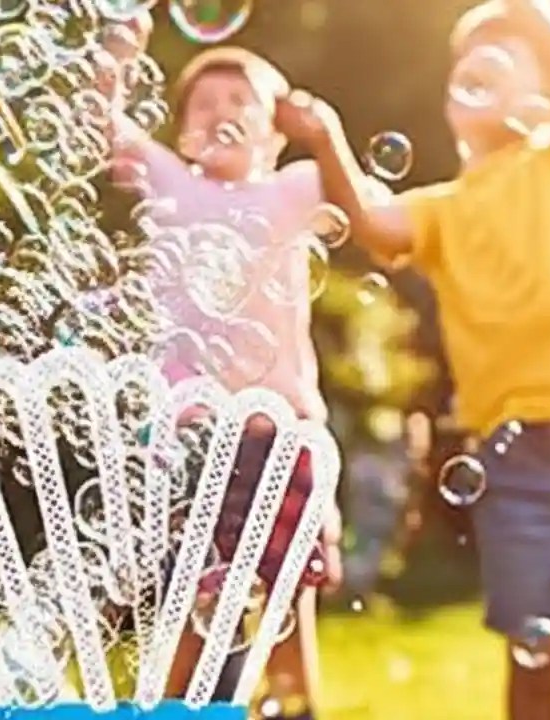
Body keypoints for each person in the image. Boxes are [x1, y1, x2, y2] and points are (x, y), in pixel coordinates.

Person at [277, 1, 550, 718]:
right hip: (517, 458)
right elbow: (375, 224)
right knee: (537, 656)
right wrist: (327, 140)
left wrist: (524, 12)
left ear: (542, 98)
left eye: (506, 64)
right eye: (467, 72)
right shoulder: (442, 208)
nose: (479, 74)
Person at [105, 30, 342, 720]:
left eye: (241, 98)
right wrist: (118, 59)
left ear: (275, 135)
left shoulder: (292, 188)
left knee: (288, 600)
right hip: (192, 432)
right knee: (190, 593)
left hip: (281, 426)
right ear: (180, 133)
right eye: (203, 101)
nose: (220, 109)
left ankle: (296, 708)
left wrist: (321, 134)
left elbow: (354, 196)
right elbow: (97, 125)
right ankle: (173, 709)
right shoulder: (172, 182)